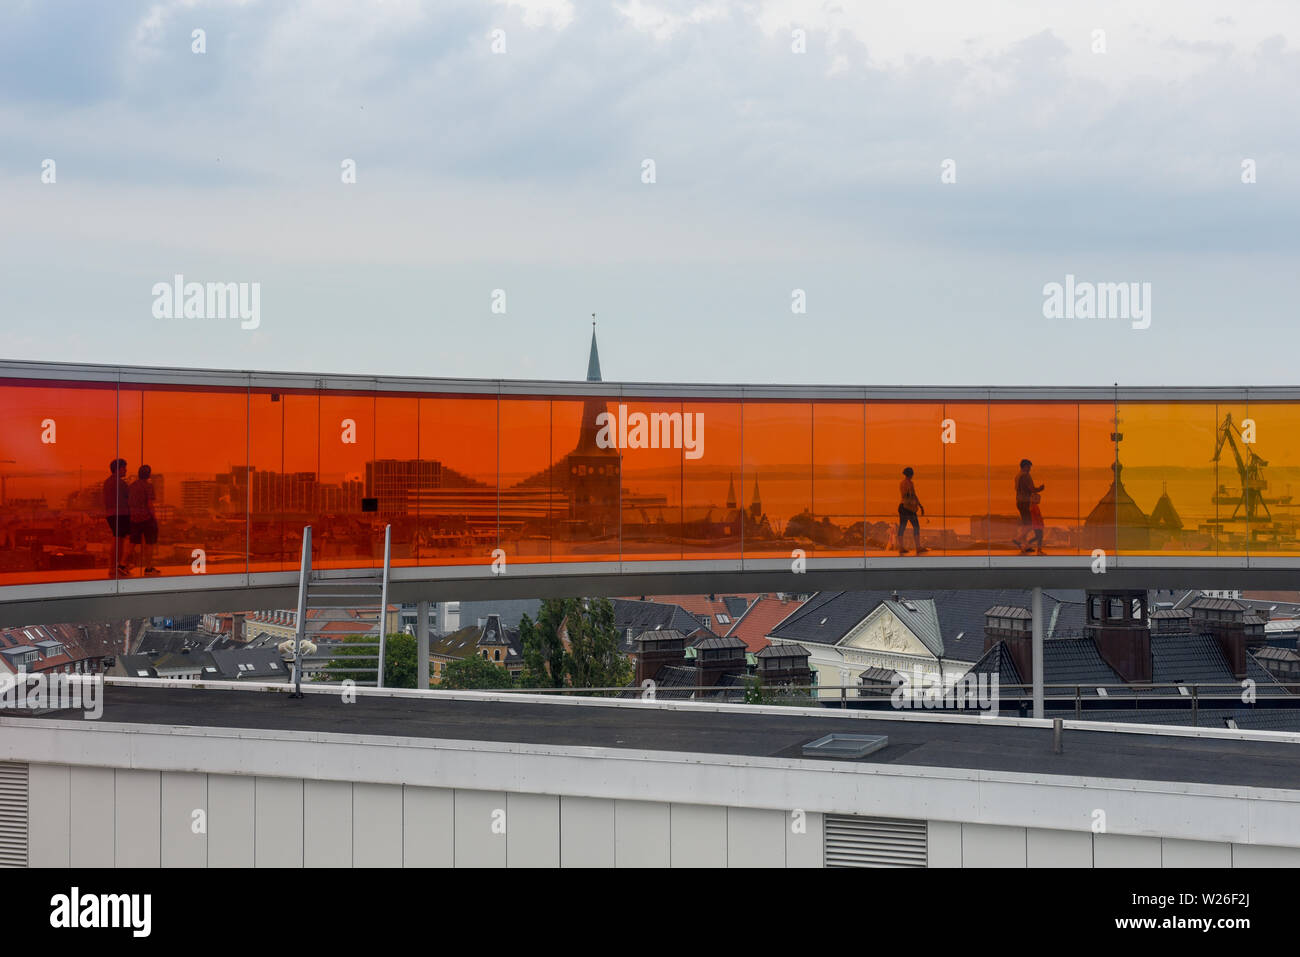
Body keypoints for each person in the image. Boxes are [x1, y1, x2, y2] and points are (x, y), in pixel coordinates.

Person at [128, 464, 161, 576]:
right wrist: (154, 517)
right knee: (149, 543)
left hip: (134, 518)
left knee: (132, 543)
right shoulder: (148, 486)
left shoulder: (132, 486)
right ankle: (148, 568)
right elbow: (149, 504)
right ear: (148, 475)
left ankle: (123, 564)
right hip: (146, 518)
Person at [102, 459, 132, 576]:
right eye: (124, 468)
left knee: (117, 539)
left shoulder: (107, 482)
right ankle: (119, 565)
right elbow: (129, 498)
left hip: (111, 514)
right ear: (118, 469)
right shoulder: (121, 484)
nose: (126, 470)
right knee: (122, 541)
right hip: (122, 514)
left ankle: (114, 566)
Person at [1014, 458, 1045, 553]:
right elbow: (1031, 489)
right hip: (1025, 502)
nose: (1030, 469)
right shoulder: (1026, 476)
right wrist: (1040, 489)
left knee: (1025, 524)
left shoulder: (1017, 476)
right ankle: (1017, 539)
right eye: (1029, 467)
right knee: (1029, 524)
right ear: (1025, 466)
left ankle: (1026, 546)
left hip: (1019, 501)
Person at [897, 467, 927, 555]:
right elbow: (912, 495)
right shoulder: (909, 483)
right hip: (908, 508)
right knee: (916, 527)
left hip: (902, 507)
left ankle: (901, 547)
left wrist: (919, 504)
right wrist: (919, 505)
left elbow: (910, 495)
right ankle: (918, 547)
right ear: (911, 474)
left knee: (902, 527)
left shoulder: (902, 483)